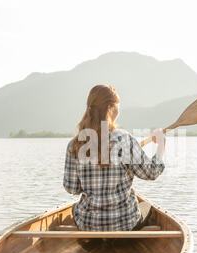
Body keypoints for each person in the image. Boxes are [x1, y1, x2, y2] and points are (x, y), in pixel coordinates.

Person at [63, 84, 165, 232]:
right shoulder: (125, 139)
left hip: (88, 226)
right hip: (125, 226)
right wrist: (161, 145)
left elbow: (71, 188)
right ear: (111, 108)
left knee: (74, 209)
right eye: (117, 106)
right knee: (147, 207)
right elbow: (151, 172)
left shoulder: (75, 144)